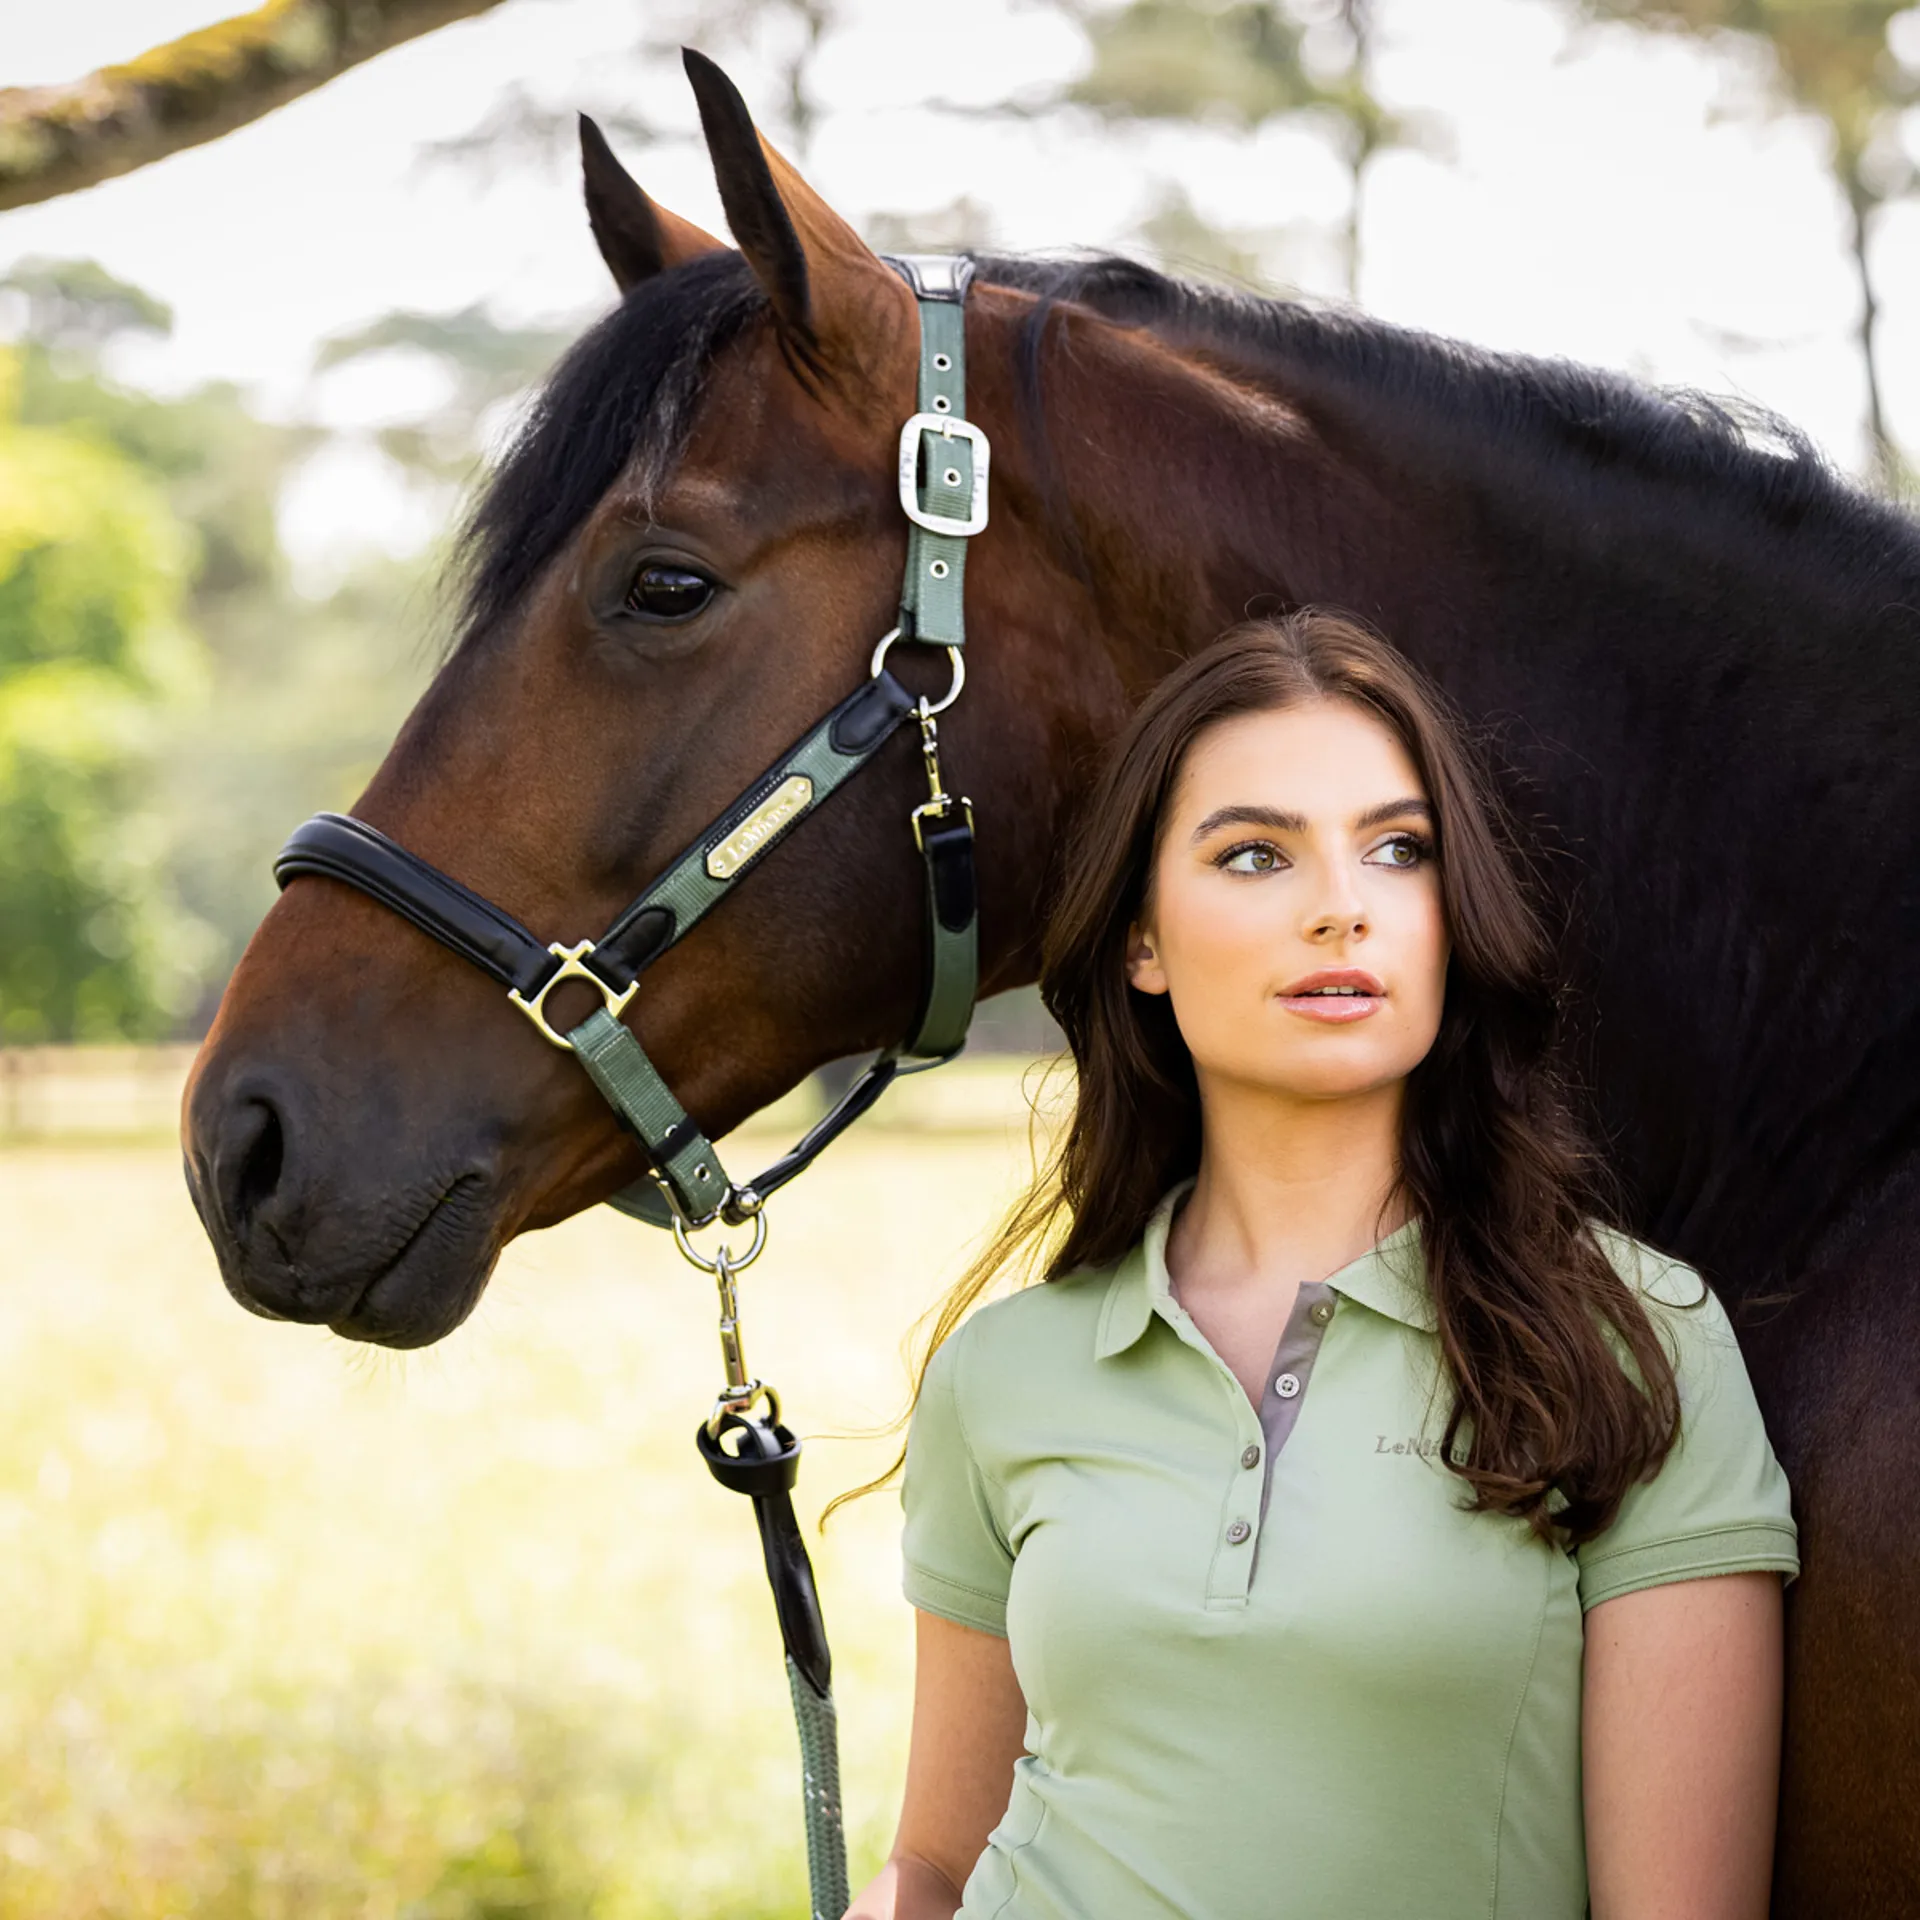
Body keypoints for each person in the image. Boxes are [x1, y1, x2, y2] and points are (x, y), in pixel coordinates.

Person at [842, 610, 1799, 1920]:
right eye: (1255, 854)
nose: (1343, 907)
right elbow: (940, 1864)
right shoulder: (1004, 1373)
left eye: (1399, 850)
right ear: (1143, 940)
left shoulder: (1634, 1343)